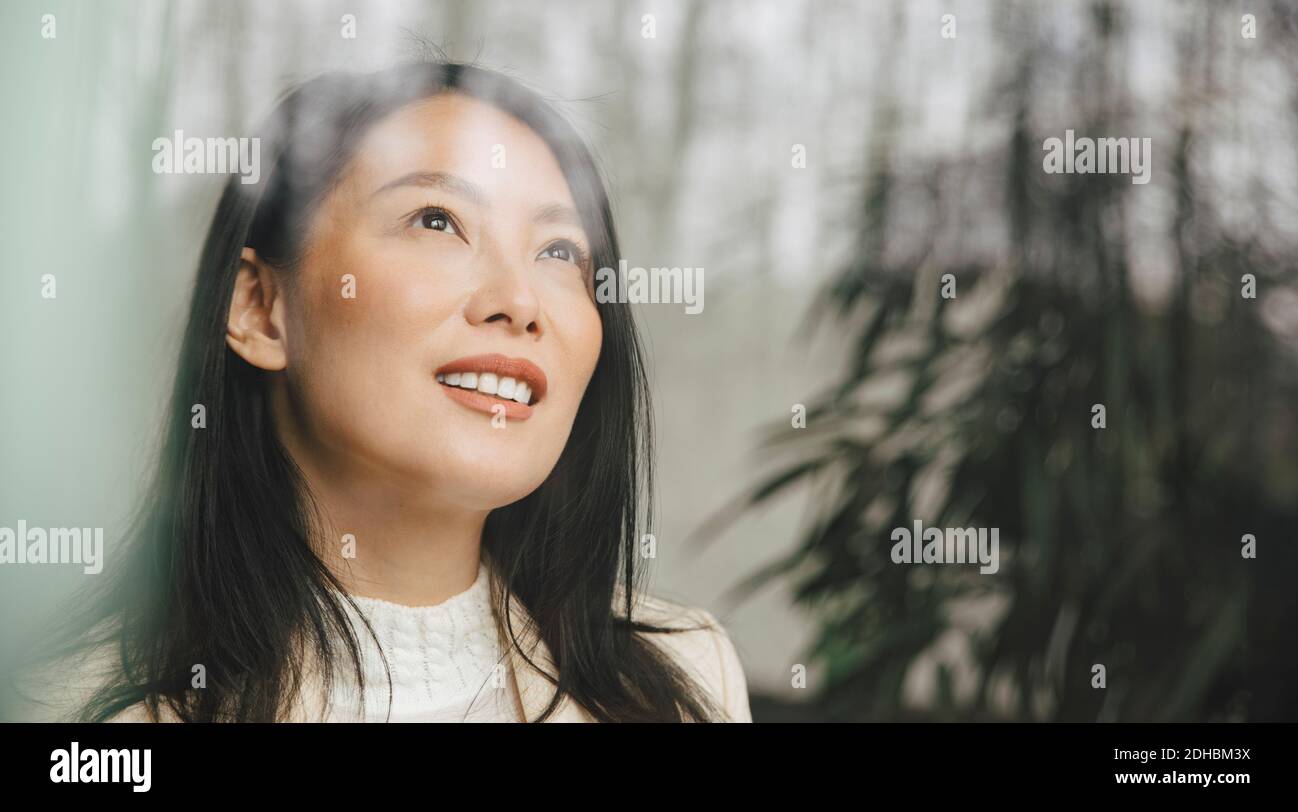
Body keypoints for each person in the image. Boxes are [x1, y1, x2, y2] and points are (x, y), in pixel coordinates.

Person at [11, 59, 751, 723]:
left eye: (560, 251)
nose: (520, 301)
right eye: (438, 220)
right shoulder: (73, 713)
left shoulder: (688, 683)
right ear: (261, 308)